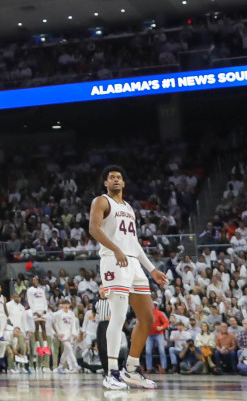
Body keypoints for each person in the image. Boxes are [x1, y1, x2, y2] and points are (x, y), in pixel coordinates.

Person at [89, 165, 168, 390]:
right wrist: (115, 249)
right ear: (106, 183)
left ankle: (131, 369)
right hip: (113, 260)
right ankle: (111, 372)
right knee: (119, 316)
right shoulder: (102, 201)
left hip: (132, 262)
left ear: (124, 183)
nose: (115, 180)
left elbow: (133, 243)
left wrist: (151, 269)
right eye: (111, 177)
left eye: (119, 177)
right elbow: (94, 229)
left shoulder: (129, 208)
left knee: (148, 318)